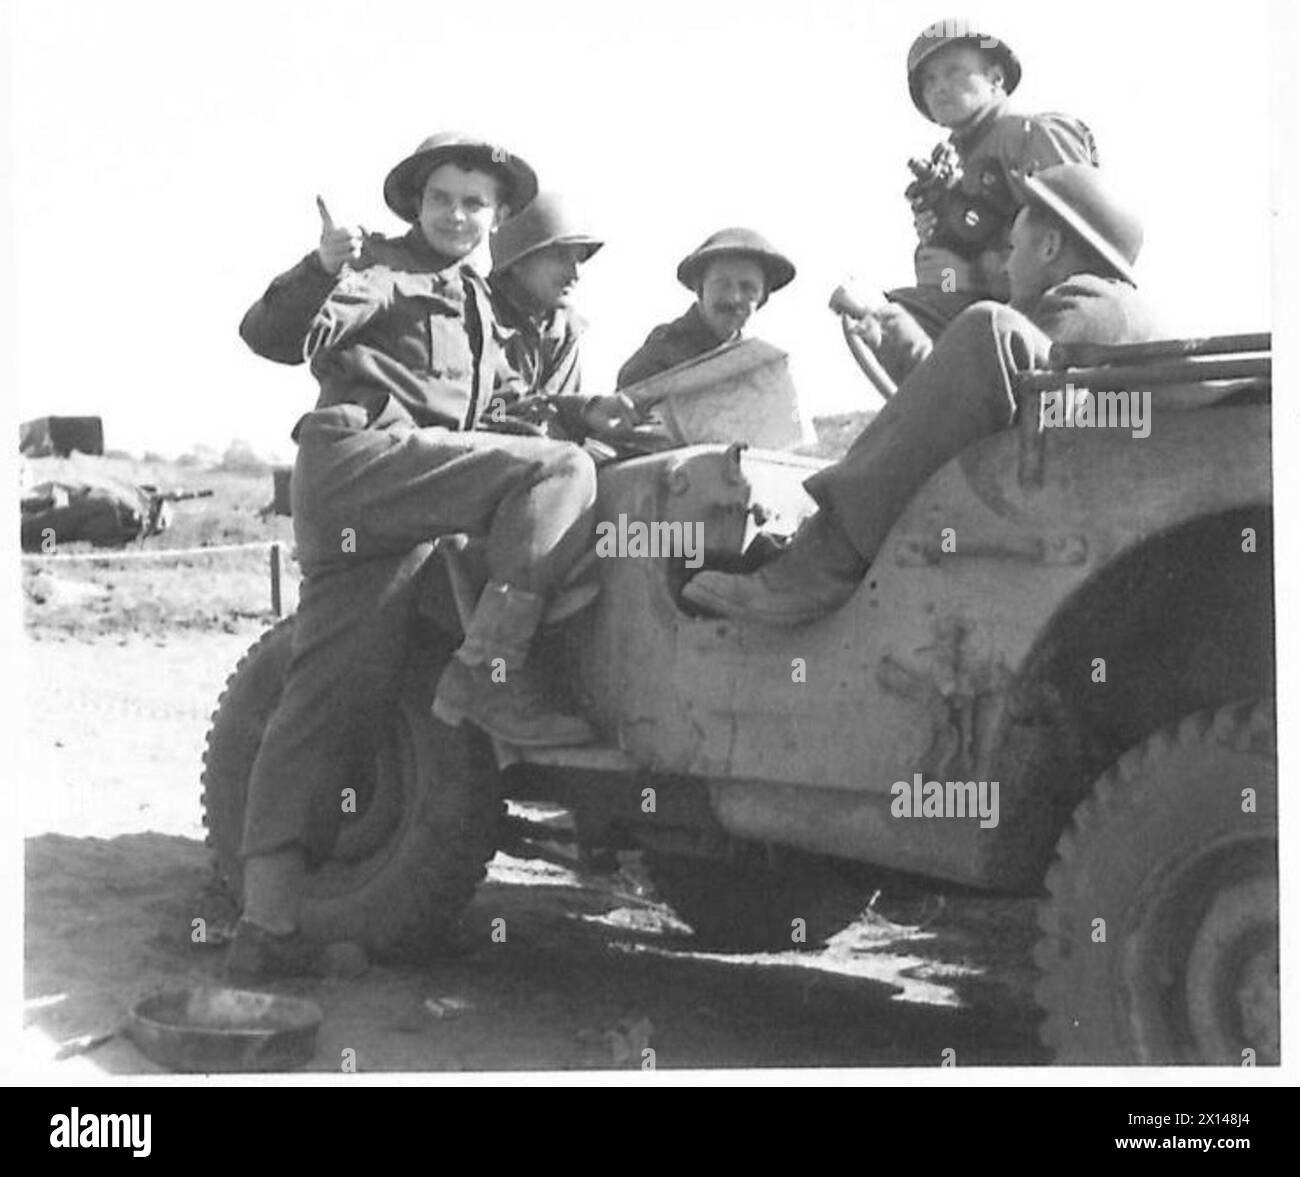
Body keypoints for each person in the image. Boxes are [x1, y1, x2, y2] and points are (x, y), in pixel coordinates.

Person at [228, 132, 636, 978]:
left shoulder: (477, 302)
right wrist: (320, 271)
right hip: (362, 462)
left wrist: (586, 410)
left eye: (475, 202)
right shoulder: (378, 266)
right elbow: (274, 334)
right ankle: (487, 676)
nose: (458, 214)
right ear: (417, 203)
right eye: (443, 198)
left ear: (495, 217)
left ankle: (263, 926)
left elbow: (507, 405)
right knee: (560, 475)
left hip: (398, 503)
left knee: (328, 692)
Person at [684, 163, 1159, 626]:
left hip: (1064, 522)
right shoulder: (1101, 314)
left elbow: (989, 363)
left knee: (989, 324)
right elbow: (972, 390)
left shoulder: (1095, 307)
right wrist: (887, 325)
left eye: (1014, 248)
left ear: (1050, 245)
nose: (1008, 265)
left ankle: (825, 559)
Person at [857, 19, 1101, 385]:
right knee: (886, 321)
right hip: (993, 321)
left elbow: (1081, 248)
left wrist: (984, 273)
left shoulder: (1031, 134)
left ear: (995, 78)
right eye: (929, 81)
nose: (939, 88)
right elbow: (951, 285)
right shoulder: (949, 165)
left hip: (1057, 326)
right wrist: (948, 266)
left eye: (954, 72)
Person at [486, 191, 633, 441]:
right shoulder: (479, 316)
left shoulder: (562, 328)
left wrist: (586, 414)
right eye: (559, 257)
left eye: (577, 259)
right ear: (518, 261)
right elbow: (494, 414)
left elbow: (558, 419)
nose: (574, 273)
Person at [616, 228, 795, 389]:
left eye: (748, 288)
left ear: (762, 298)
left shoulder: (760, 371)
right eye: (722, 284)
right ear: (700, 289)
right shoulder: (660, 358)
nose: (734, 298)